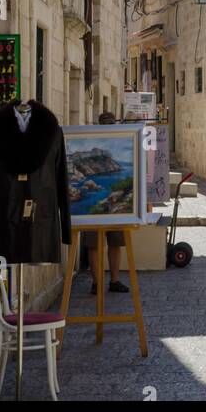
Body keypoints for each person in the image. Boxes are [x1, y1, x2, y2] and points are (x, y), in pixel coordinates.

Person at [83, 112, 129, 294]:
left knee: (114, 242)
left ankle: (110, 281)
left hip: (112, 207)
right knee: (95, 244)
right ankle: (99, 282)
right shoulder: (94, 140)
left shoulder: (120, 140)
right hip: (95, 210)